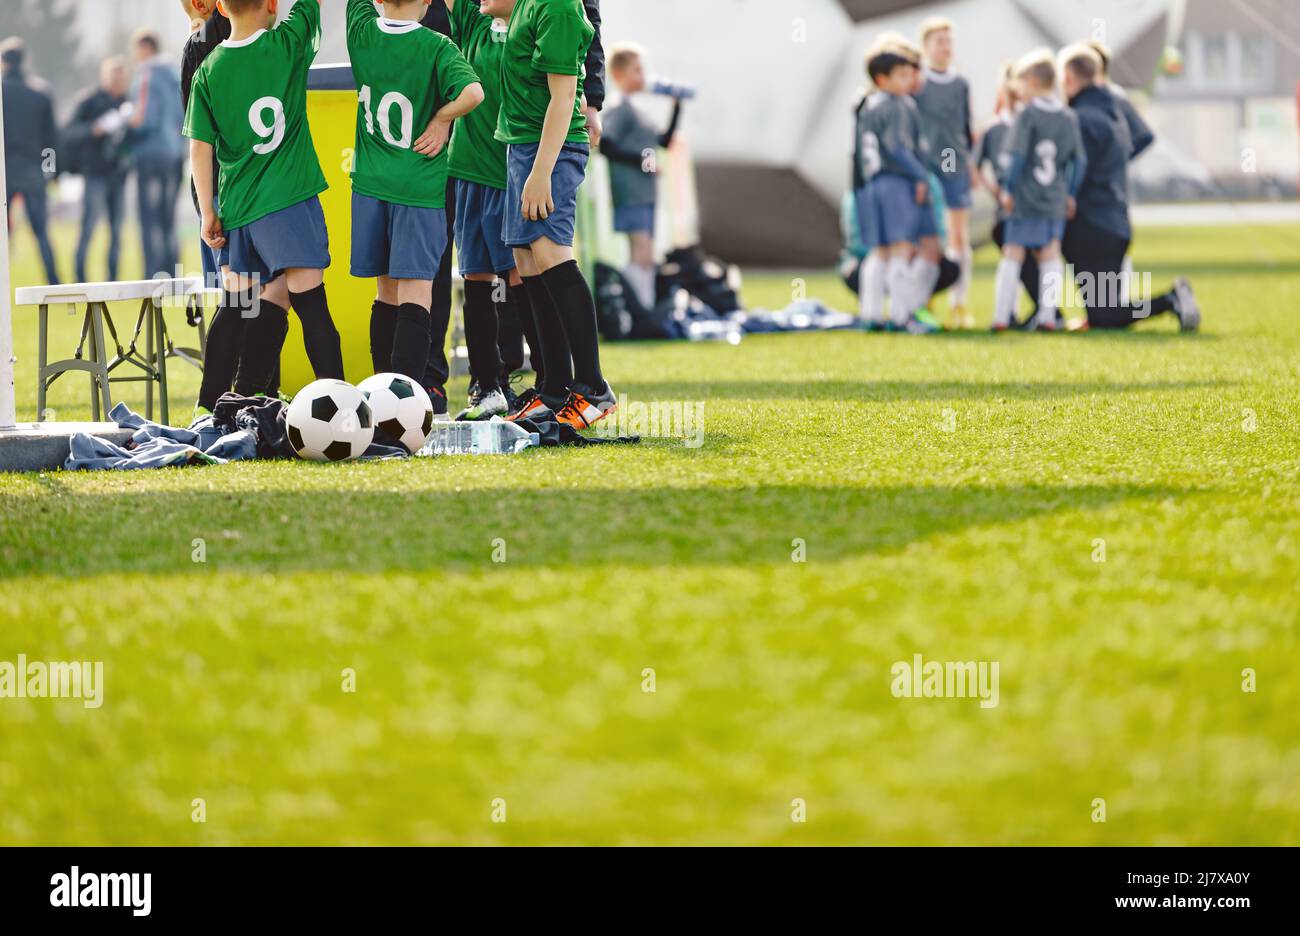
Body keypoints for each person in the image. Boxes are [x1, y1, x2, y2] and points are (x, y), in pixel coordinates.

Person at [183, 0, 345, 417]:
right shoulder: (287, 44)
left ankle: (211, 407)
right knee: (312, 306)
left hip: (237, 209)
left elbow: (199, 150)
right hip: (288, 202)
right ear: (271, 5)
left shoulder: (209, 69)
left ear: (220, 6)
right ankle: (342, 408)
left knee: (237, 309)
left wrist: (207, 213)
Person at [347, 0, 483, 393]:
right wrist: (442, 119)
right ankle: (404, 395)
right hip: (419, 188)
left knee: (385, 290)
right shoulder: (438, 45)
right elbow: (474, 93)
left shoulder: (361, 32)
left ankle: (377, 391)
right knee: (417, 290)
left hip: (370, 185)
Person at [498, 0, 616, 429]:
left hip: (552, 150)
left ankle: (593, 389)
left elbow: (565, 96)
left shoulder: (558, 6)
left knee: (551, 254)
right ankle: (554, 389)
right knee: (527, 260)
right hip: (523, 147)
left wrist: (541, 172)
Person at [1058, 44, 1199, 331]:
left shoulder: (1078, 120)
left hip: (1090, 225)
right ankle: (1169, 299)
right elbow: (1143, 138)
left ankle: (1170, 299)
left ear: (1069, 80)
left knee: (1105, 316)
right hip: (1115, 223)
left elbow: (1073, 169)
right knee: (1104, 313)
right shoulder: (1115, 113)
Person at [444, 0, 520, 421]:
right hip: (469, 170)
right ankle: (488, 384)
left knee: (516, 278)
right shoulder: (474, 23)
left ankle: (526, 378)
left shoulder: (532, 25)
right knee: (475, 276)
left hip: (512, 172)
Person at [991, 50, 1086, 333]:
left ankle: (1001, 316)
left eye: (1020, 83)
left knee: (1013, 253)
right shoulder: (1068, 116)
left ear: (1031, 81)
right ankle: (1047, 317)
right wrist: (1070, 193)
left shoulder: (1027, 115)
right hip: (1054, 196)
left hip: (1025, 196)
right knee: (1050, 254)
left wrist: (1008, 189)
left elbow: (1017, 157)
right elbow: (1079, 161)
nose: (1017, 90)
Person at [599, 42, 685, 312]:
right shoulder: (619, 109)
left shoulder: (637, 111)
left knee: (646, 254)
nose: (642, 75)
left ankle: (642, 310)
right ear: (620, 73)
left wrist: (677, 108)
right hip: (631, 192)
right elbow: (606, 144)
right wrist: (642, 160)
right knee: (642, 253)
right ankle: (639, 311)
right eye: (637, 69)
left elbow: (664, 141)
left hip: (646, 193)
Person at [855, 37, 933, 333]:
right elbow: (898, 147)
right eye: (901, 75)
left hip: (872, 184)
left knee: (880, 251)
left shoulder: (868, 104)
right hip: (896, 182)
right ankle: (901, 317)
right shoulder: (899, 105)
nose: (908, 80)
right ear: (882, 79)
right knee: (902, 248)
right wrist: (921, 176)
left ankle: (871, 314)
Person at [913, 17, 975, 328]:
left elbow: (964, 129)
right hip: (927, 166)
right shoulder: (917, 83)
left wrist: (971, 165)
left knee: (958, 236)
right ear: (925, 47)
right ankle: (924, 300)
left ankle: (959, 302)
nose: (946, 47)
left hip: (953, 163)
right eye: (939, 41)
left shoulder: (961, 84)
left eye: (949, 41)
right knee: (928, 236)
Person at [975, 61, 1039, 327]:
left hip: (1025, 207)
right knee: (1025, 260)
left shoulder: (1028, 122)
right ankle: (1033, 313)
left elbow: (970, 166)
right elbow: (968, 165)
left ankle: (1016, 314)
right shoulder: (994, 128)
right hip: (1019, 209)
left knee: (1022, 261)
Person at [65, 57, 131, 283]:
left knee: (116, 231)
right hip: (94, 173)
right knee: (89, 227)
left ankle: (113, 280)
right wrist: (94, 129)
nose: (117, 81)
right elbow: (69, 132)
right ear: (104, 77)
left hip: (119, 175)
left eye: (121, 77)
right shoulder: (88, 100)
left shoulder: (128, 102)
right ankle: (79, 278)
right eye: (113, 76)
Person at [127, 29, 186, 279]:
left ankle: (153, 274)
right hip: (175, 155)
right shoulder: (176, 76)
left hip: (150, 155)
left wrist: (126, 127)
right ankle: (173, 272)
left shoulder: (147, 74)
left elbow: (144, 119)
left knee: (149, 218)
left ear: (144, 48)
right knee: (168, 218)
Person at [0, 38, 60, 284]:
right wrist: (51, 173)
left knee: (4, 235)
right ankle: (54, 283)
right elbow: (51, 140)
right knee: (42, 233)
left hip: (5, 172)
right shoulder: (40, 93)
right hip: (34, 171)